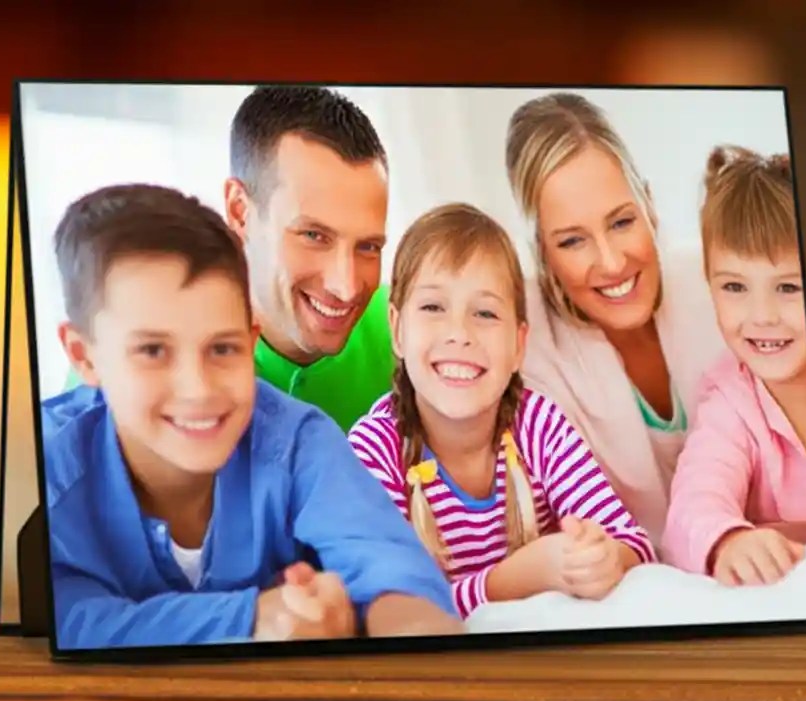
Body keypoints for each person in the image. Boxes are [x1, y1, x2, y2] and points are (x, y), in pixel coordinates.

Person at [41, 183, 463, 650]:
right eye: (152, 351)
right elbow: (69, 621)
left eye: (223, 348)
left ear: (251, 337)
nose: (198, 389)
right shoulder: (46, 472)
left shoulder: (298, 440)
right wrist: (254, 616)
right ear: (84, 357)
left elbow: (390, 568)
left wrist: (418, 639)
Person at [347, 203, 655, 620]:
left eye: (486, 313)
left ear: (518, 345)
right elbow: (383, 610)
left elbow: (634, 545)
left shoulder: (539, 426)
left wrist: (604, 560)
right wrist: (514, 580)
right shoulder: (373, 451)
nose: (459, 334)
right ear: (397, 330)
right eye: (433, 308)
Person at [503, 92, 725, 549]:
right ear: (542, 252)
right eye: (572, 242)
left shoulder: (715, 283)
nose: (610, 262)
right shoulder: (526, 349)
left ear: (649, 202)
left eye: (622, 222)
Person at [659, 146, 806, 586]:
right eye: (734, 286)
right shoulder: (730, 402)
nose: (761, 315)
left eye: (789, 287)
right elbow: (694, 503)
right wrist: (728, 540)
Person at [222, 85, 396, 433]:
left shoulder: (413, 333)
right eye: (314, 236)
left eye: (368, 247)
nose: (345, 288)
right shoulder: (146, 359)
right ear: (240, 212)